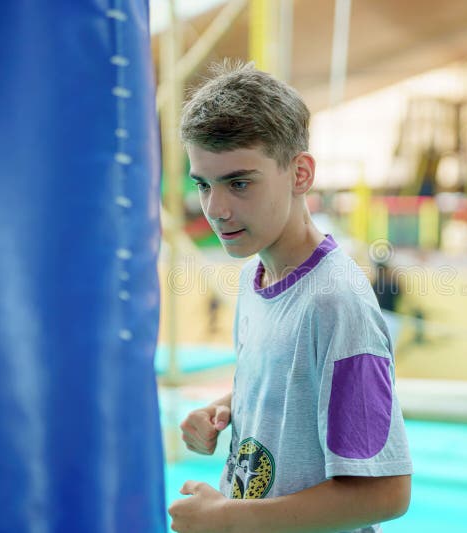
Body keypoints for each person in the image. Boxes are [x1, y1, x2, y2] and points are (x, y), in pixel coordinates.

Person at [170, 60, 413, 533]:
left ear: (300, 174)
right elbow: (289, 382)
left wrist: (229, 520)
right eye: (204, 184)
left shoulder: (334, 303)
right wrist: (225, 408)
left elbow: (385, 491)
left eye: (239, 183)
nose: (216, 209)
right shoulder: (254, 277)